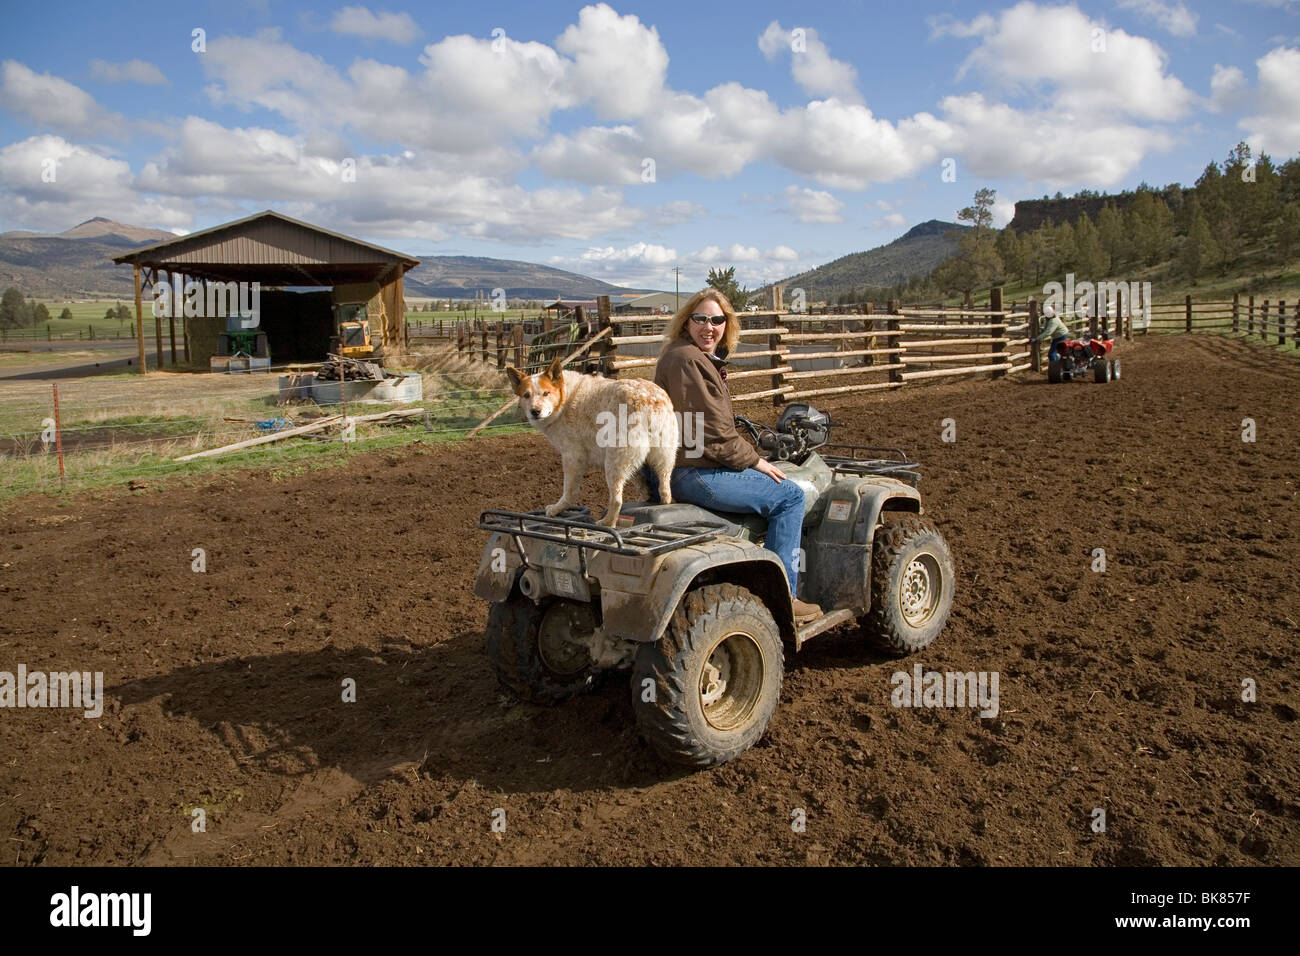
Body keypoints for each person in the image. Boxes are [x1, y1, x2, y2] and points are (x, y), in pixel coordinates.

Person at [642, 289, 822, 624]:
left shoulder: (688, 355)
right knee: (790, 496)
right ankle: (786, 597)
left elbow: (710, 424)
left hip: (688, 464)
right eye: (700, 319)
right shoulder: (687, 360)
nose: (708, 327)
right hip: (693, 471)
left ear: (727, 324)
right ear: (687, 321)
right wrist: (755, 460)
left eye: (716, 320)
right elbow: (711, 432)